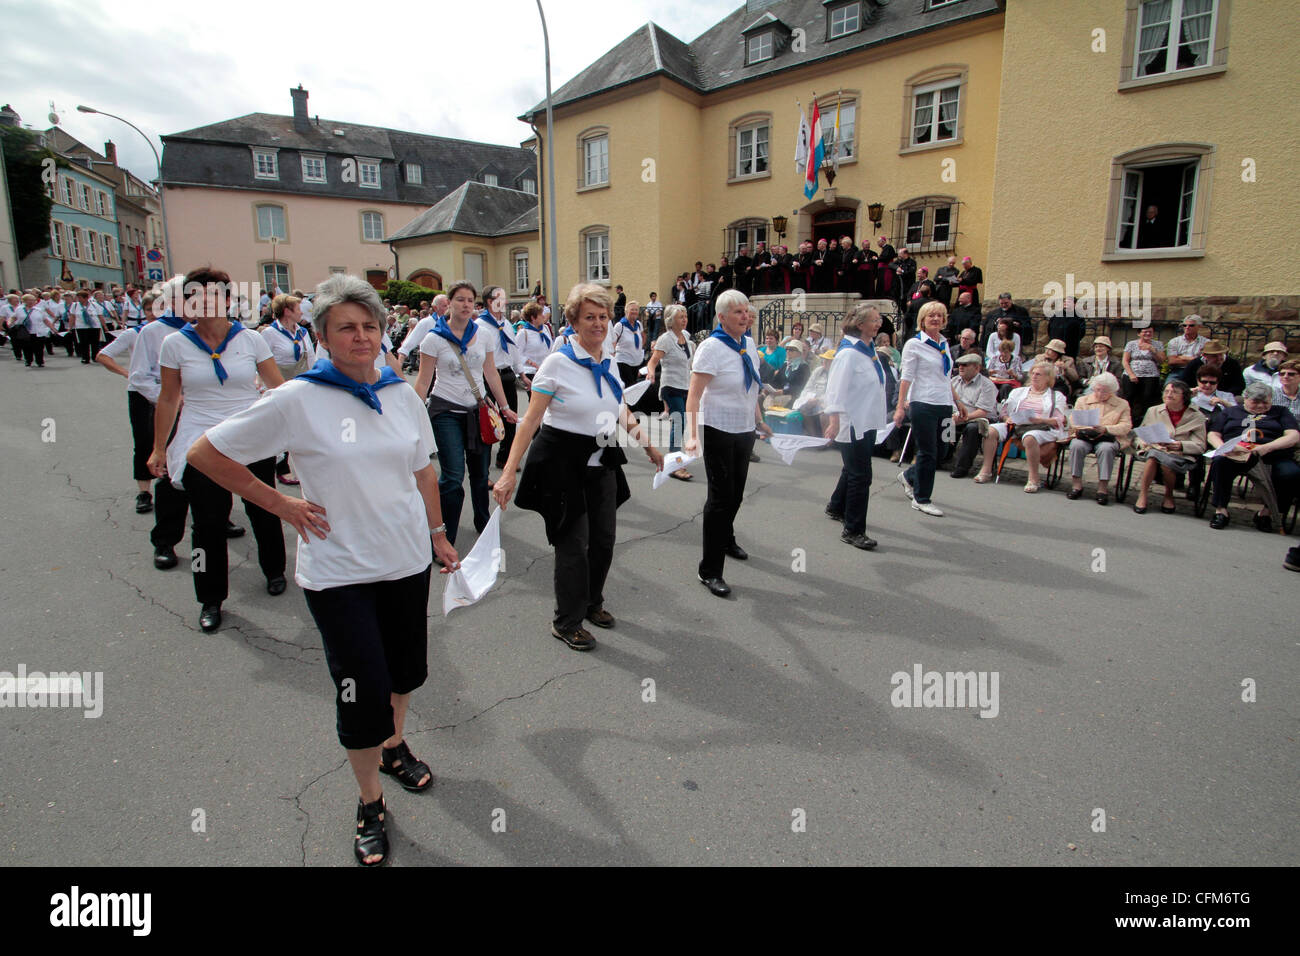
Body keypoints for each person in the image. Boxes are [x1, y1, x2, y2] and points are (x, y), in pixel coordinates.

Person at [187, 273, 460, 866]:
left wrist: (437, 534)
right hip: (339, 574)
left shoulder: (400, 394)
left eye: (368, 326)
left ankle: (395, 744)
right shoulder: (297, 397)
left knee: (405, 671)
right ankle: (369, 800)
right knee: (360, 687)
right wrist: (281, 504)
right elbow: (204, 453)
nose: (360, 337)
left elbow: (423, 471)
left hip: (406, 560)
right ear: (322, 336)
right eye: (346, 328)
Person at [493, 282, 663, 650]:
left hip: (601, 460)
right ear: (574, 321)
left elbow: (618, 408)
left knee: (603, 540)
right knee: (573, 545)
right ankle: (566, 621)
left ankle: (591, 602)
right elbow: (530, 421)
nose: (599, 323)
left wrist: (649, 445)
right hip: (562, 464)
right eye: (590, 317)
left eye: (603, 316)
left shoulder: (608, 360)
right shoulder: (558, 363)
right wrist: (508, 471)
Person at [148, 267, 287, 632]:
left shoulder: (251, 340)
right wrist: (159, 448)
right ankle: (210, 598)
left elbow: (278, 389)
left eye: (213, 296)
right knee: (207, 523)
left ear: (228, 300)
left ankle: (275, 570)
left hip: (248, 433)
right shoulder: (174, 343)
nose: (204, 303)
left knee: (264, 506)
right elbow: (168, 398)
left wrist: (294, 434)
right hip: (201, 440)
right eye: (196, 296)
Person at [413, 281, 518, 548]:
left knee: (481, 474)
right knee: (453, 475)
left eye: (470, 300)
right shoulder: (433, 338)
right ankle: (443, 537)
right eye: (460, 299)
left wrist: (504, 407)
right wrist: (412, 416)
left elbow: (491, 372)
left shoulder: (483, 335)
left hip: (478, 411)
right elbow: (423, 382)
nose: (466, 305)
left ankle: (483, 524)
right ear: (449, 304)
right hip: (445, 410)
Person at [685, 289, 774, 597]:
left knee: (735, 493)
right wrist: (692, 434)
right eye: (738, 312)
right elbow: (694, 394)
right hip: (718, 428)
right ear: (721, 318)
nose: (745, 316)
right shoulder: (711, 348)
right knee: (720, 498)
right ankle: (709, 569)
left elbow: (752, 387)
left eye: (747, 311)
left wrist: (759, 418)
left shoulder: (748, 343)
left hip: (744, 429)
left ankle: (726, 536)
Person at [824, 303, 889, 549]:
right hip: (852, 424)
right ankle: (853, 530)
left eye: (879, 318)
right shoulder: (848, 354)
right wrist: (834, 421)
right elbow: (835, 390)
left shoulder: (867, 350)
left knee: (852, 470)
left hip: (867, 420)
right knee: (861, 476)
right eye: (874, 319)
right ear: (860, 325)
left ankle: (836, 506)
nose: (879, 322)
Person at [894, 301, 960, 517]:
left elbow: (946, 376)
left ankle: (909, 476)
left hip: (944, 404)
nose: (935, 319)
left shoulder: (944, 343)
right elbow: (906, 377)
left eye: (939, 316)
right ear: (922, 320)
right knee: (928, 451)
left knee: (943, 450)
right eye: (931, 315)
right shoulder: (914, 344)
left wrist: (958, 403)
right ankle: (921, 499)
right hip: (922, 404)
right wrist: (900, 406)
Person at [1205, 383, 1300, 531]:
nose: (1261, 406)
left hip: (1272, 454)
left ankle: (1266, 513)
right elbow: (1213, 434)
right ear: (1245, 399)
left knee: (1291, 473)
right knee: (1220, 462)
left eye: (1265, 402)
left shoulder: (1281, 412)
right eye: (1255, 402)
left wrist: (1267, 447)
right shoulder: (1231, 412)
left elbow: (1293, 435)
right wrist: (1224, 447)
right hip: (1236, 453)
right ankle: (1221, 510)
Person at [972, 363, 1067, 492]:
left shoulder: (1056, 396)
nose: (1034, 376)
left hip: (1041, 427)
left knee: (1030, 437)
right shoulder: (1018, 392)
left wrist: (1040, 419)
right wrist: (1007, 419)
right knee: (991, 430)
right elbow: (1004, 413)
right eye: (1032, 373)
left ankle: (1033, 478)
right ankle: (986, 470)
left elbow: (1060, 420)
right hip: (1017, 424)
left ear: (1048, 378)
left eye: (1038, 374)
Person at [262, 294, 317, 486]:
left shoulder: (302, 332)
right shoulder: (269, 334)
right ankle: (280, 467)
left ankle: (304, 468)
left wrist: (315, 381)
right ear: (287, 311)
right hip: (279, 383)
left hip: (300, 382)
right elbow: (261, 362)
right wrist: (263, 386)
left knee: (301, 426)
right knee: (280, 426)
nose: (302, 311)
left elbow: (310, 358)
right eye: (298, 308)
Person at [1131, 379, 1207, 514]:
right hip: (1154, 449)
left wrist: (1180, 445)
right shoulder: (1153, 411)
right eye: (1166, 391)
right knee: (1153, 456)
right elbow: (1141, 433)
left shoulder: (1197, 416)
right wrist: (1142, 442)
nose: (1169, 395)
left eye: (1174, 392)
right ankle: (1143, 495)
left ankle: (1169, 494)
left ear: (1184, 396)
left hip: (1179, 453)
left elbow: (1200, 445)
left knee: (1167, 461)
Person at [477, 285, 526, 470]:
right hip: (488, 377)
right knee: (490, 421)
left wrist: (521, 374)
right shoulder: (480, 325)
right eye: (501, 298)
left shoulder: (505, 324)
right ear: (490, 302)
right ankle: (483, 466)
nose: (505, 302)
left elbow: (513, 350)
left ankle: (504, 458)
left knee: (510, 418)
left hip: (506, 374)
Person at [644, 303, 695, 481]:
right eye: (681, 317)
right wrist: (650, 371)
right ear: (671, 321)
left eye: (685, 316)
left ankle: (674, 459)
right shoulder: (666, 339)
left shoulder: (686, 337)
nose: (685, 320)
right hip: (670, 386)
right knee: (679, 421)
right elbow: (653, 360)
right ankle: (674, 464)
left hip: (684, 386)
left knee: (681, 422)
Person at [1064, 373, 1131, 504]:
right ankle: (1076, 485)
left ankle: (1102, 488)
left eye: (1105, 391)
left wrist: (1106, 429)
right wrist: (1088, 427)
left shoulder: (1122, 404)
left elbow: (1126, 426)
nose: (1100, 393)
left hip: (1109, 437)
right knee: (1076, 446)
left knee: (1106, 449)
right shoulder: (1083, 400)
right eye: (1098, 390)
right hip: (1086, 435)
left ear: (1112, 391)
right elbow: (1073, 421)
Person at [947, 352, 998, 479]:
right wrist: (954, 417)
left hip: (977, 417)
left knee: (972, 429)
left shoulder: (986, 385)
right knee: (944, 420)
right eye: (959, 365)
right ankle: (942, 457)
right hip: (956, 415)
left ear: (977, 368)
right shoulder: (954, 381)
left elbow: (983, 411)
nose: (961, 368)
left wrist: (963, 418)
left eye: (965, 365)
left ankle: (962, 467)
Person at [1122, 325, 1166, 425]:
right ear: (1139, 333)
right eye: (1145, 332)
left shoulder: (1157, 344)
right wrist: (1131, 374)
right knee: (1129, 397)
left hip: (1151, 375)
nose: (1147, 334)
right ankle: (1128, 420)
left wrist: (1152, 349)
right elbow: (1125, 361)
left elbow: (1162, 360)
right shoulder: (1131, 344)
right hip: (1132, 374)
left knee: (1147, 398)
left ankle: (1143, 421)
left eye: (1150, 332)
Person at [1179, 340, 1245, 395]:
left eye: (1221, 354)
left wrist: (1223, 395)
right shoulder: (1195, 364)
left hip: (1226, 395)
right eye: (1214, 356)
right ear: (1204, 356)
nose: (1219, 359)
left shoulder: (1232, 363)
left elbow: (1239, 385)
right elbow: (1183, 383)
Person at [8, 293, 56, 367]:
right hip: (25, 332)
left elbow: (45, 320)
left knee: (39, 348)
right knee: (26, 348)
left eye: (33, 300)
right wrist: (9, 323)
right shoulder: (19, 309)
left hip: (37, 331)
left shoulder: (39, 310)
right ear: (24, 301)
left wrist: (52, 328)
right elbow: (13, 317)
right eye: (29, 300)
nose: (31, 302)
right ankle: (28, 360)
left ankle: (40, 361)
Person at [612, 300, 646, 386]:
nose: (634, 312)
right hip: (623, 361)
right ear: (626, 311)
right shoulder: (620, 325)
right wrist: (612, 356)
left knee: (634, 384)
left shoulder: (638, 324)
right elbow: (613, 342)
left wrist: (639, 349)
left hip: (636, 360)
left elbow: (643, 337)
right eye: (632, 309)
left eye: (636, 310)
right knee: (630, 385)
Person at [515, 301, 553, 380]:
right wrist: (530, 362)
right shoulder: (523, 333)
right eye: (540, 314)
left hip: (546, 371)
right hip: (531, 372)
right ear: (533, 317)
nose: (543, 316)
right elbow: (517, 354)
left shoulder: (545, 328)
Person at [70, 289, 103, 363]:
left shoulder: (94, 305)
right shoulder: (75, 305)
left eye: (80, 297)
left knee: (95, 343)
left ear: (86, 298)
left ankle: (95, 357)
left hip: (94, 326)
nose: (79, 299)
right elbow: (72, 316)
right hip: (81, 327)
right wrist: (70, 327)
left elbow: (100, 316)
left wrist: (104, 326)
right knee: (84, 343)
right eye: (78, 297)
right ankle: (85, 358)